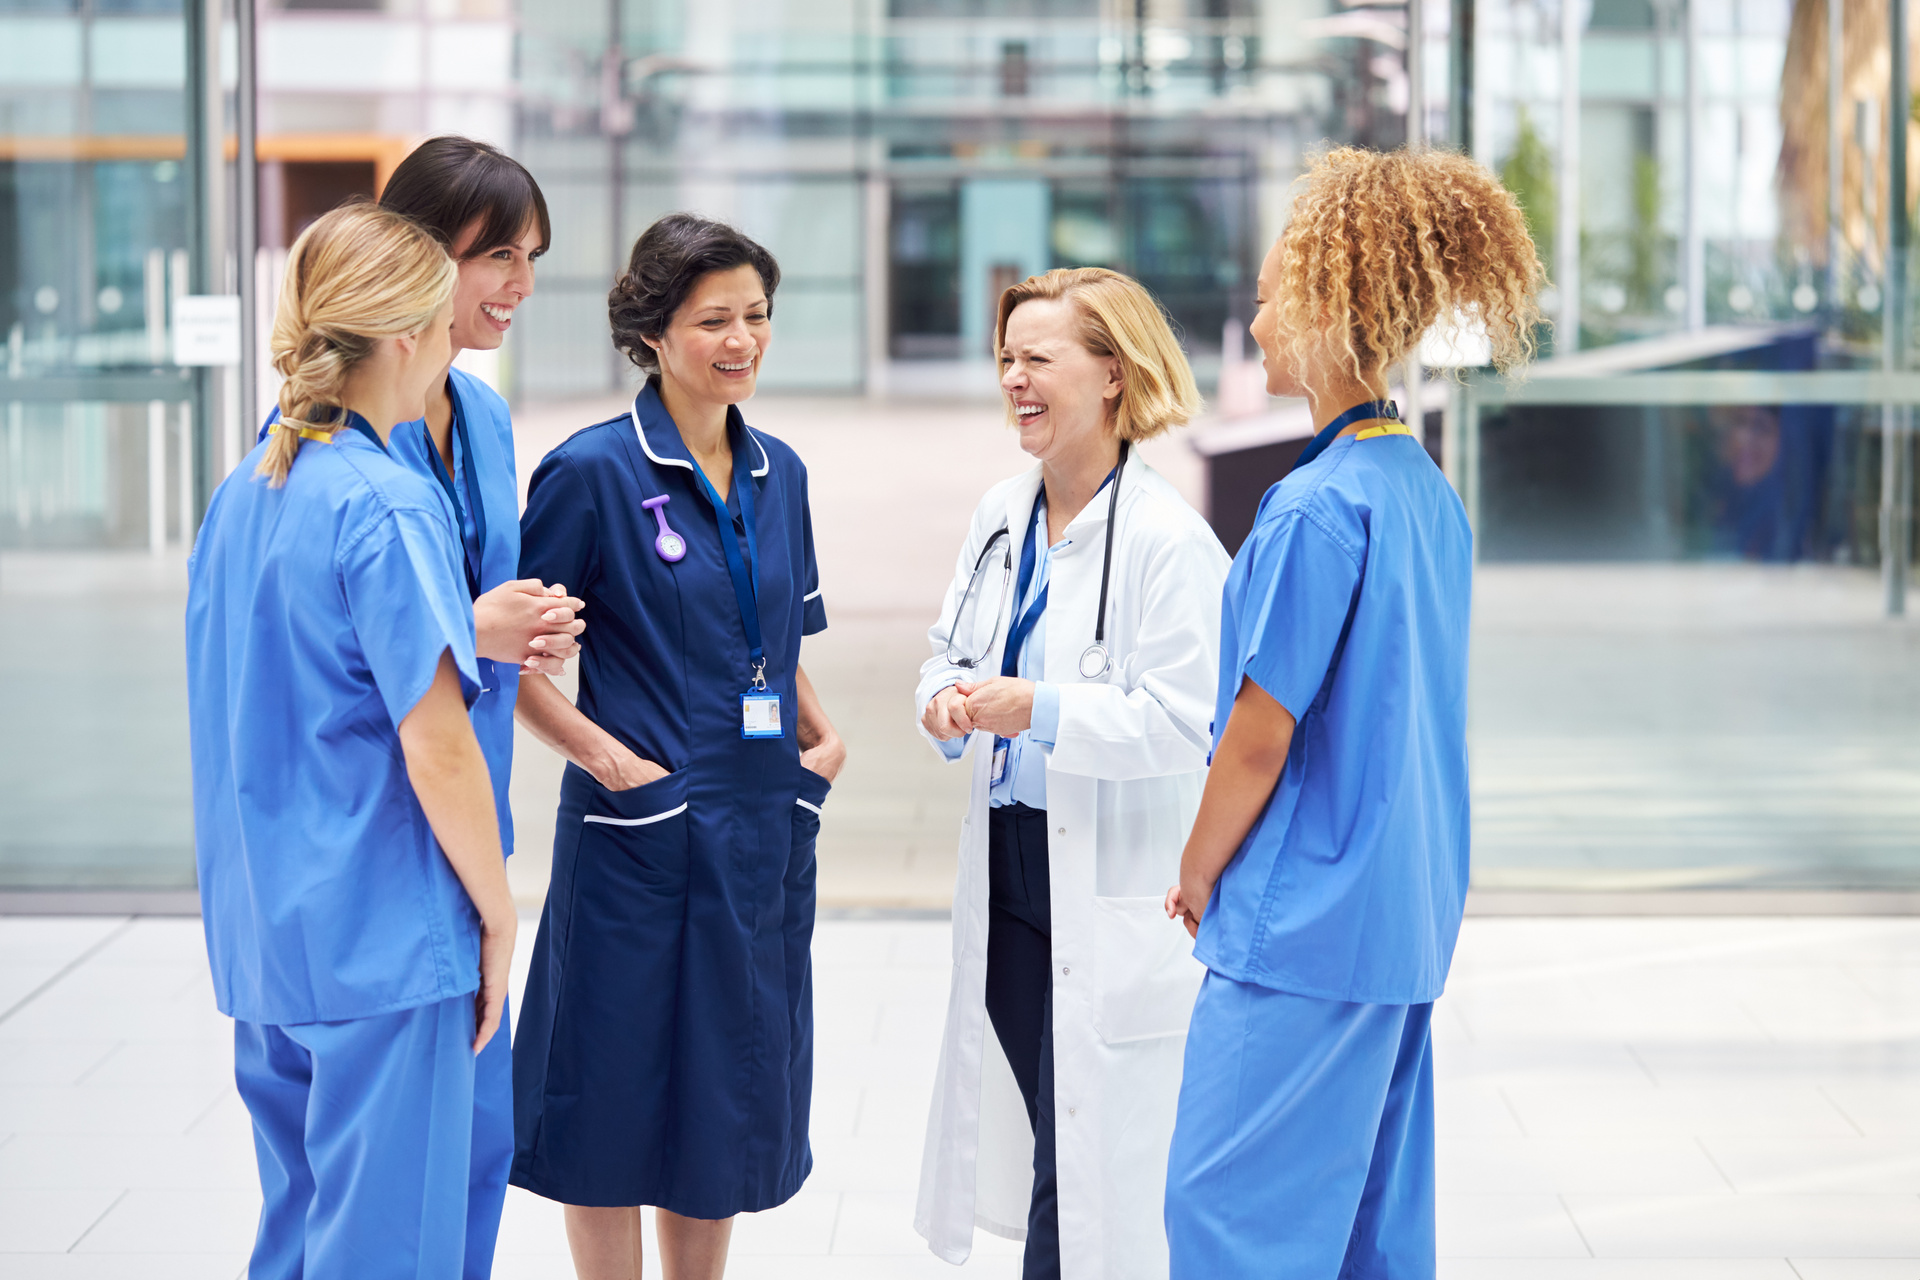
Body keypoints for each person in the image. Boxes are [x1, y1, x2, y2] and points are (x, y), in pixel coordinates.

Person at [1162, 146, 1543, 1279]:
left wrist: (1194, 867)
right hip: (1401, 919)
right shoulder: (1425, 494)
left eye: (1278, 292)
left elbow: (1261, 732)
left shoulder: (1314, 511)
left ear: (1335, 307)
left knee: (1224, 1218)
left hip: (1304, 928)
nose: (1262, 316)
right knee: (1367, 1234)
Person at [509, 212, 847, 1280]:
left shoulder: (778, 470)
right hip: (637, 833)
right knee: (610, 1091)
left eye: (755, 315)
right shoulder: (593, 473)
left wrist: (819, 736)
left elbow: (777, 631)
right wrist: (606, 759)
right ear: (654, 332)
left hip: (755, 824)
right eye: (714, 319)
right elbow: (513, 658)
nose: (741, 338)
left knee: (728, 1089)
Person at [186, 203, 516, 1278]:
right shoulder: (386, 500)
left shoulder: (249, 489)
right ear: (412, 334)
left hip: (271, 936)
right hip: (383, 942)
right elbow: (438, 743)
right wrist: (498, 914)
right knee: (389, 1249)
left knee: (301, 1232)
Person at [914, 267, 1229, 1280]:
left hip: (1107, 876)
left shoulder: (1169, 539)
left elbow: (1186, 720)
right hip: (1011, 872)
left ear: (1111, 375)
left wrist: (1034, 708)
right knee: (1059, 1129)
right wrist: (944, 699)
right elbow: (946, 648)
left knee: (1088, 1145)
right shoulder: (1003, 514)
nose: (1014, 379)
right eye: (1007, 359)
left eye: (1038, 359)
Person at [374, 134, 582, 1280]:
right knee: (385, 1188)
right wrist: (476, 627)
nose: (520, 285)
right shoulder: (343, 452)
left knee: (470, 1154)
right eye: (496, 253)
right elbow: (397, 636)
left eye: (532, 256)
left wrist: (526, 643)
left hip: (472, 824)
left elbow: (470, 608)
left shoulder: (485, 417)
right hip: (394, 834)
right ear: (412, 253)